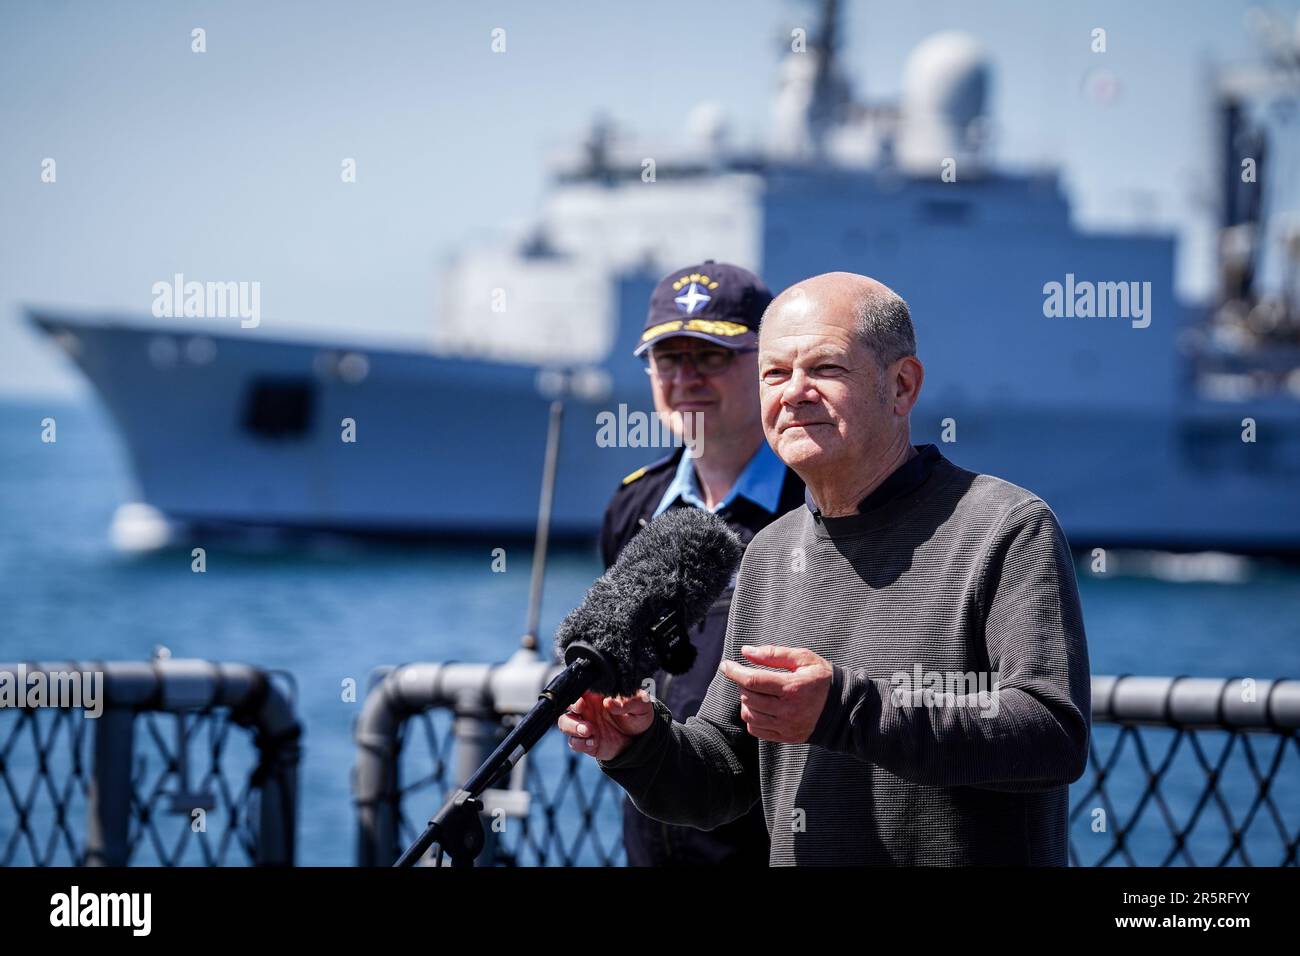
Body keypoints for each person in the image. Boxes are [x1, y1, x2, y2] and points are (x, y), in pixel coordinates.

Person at [561, 271, 1092, 865]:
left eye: (825, 369)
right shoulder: (766, 553)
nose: (793, 392)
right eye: (774, 373)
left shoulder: (1007, 526)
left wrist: (845, 709)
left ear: (902, 386)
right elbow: (725, 775)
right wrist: (640, 746)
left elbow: (1053, 734)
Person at [598, 260, 805, 866]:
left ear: (768, 368)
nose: (685, 376)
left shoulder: (816, 505)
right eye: (668, 358)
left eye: (710, 355)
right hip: (654, 844)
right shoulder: (633, 506)